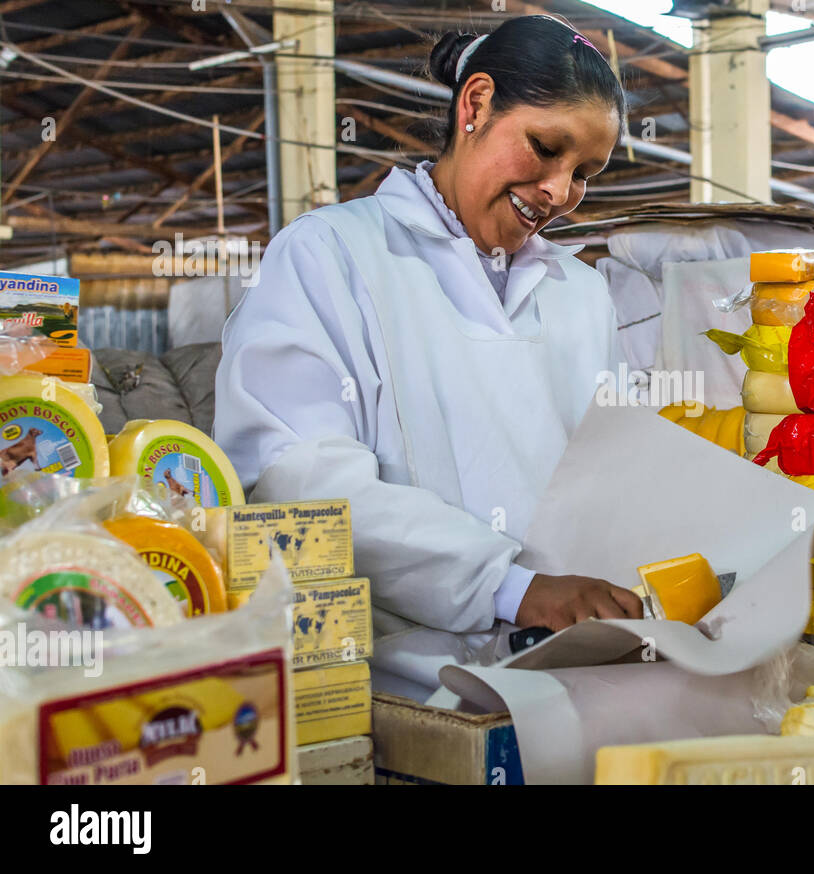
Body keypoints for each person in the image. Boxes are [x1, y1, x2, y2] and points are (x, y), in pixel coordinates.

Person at [214, 15, 643, 694]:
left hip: (574, 674)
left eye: (584, 173)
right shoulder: (333, 256)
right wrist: (512, 587)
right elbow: (298, 483)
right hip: (404, 691)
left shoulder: (581, 294)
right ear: (474, 105)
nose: (560, 192)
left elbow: (621, 473)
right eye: (544, 148)